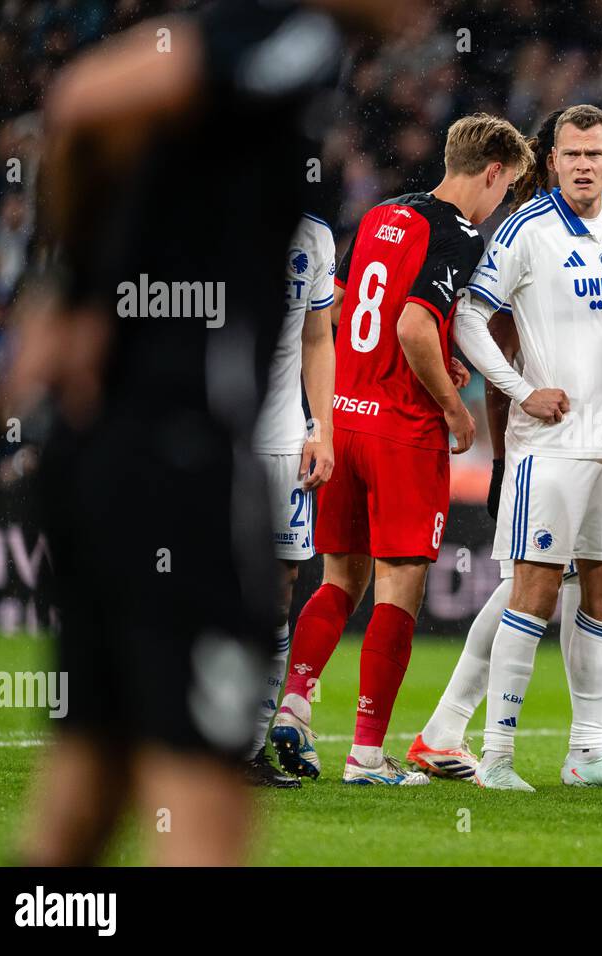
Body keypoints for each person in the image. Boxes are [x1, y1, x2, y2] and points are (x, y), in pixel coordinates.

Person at [11, 0, 403, 866]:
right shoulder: (284, 38)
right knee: (206, 812)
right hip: (183, 444)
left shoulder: (287, 69)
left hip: (118, 441)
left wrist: (75, 289)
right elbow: (86, 96)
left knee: (89, 786)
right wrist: (71, 290)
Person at [271, 114, 532, 786]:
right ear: (494, 172)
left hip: (346, 418)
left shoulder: (385, 213)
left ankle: (295, 704)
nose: (498, 206)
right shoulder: (457, 233)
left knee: (339, 581)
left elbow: (356, 311)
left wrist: (435, 360)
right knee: (399, 588)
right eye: (503, 193)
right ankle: (365, 754)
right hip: (401, 432)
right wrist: (452, 405)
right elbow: (415, 324)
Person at [409, 109, 602, 785]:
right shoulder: (526, 228)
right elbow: (467, 316)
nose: (583, 164)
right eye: (571, 153)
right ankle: (496, 757)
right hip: (547, 446)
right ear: (551, 161)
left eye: (595, 153)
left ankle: (589, 752)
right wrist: (522, 391)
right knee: (533, 595)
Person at [244, 210, 337, 788]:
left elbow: (316, 336)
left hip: (283, 441)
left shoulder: (312, 236)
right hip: (209, 442)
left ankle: (246, 747)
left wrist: (321, 428)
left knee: (277, 591)